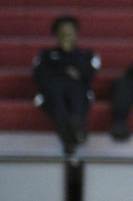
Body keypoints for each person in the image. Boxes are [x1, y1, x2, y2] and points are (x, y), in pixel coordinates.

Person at [32, 16, 100, 155]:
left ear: (77, 34)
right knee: (55, 94)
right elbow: (40, 76)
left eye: (70, 33)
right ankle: (71, 135)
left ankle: (75, 127)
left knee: (77, 93)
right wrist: (66, 70)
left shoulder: (87, 55)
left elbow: (88, 75)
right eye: (63, 33)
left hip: (78, 89)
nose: (67, 36)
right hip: (53, 90)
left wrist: (68, 56)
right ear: (56, 35)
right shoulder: (46, 55)